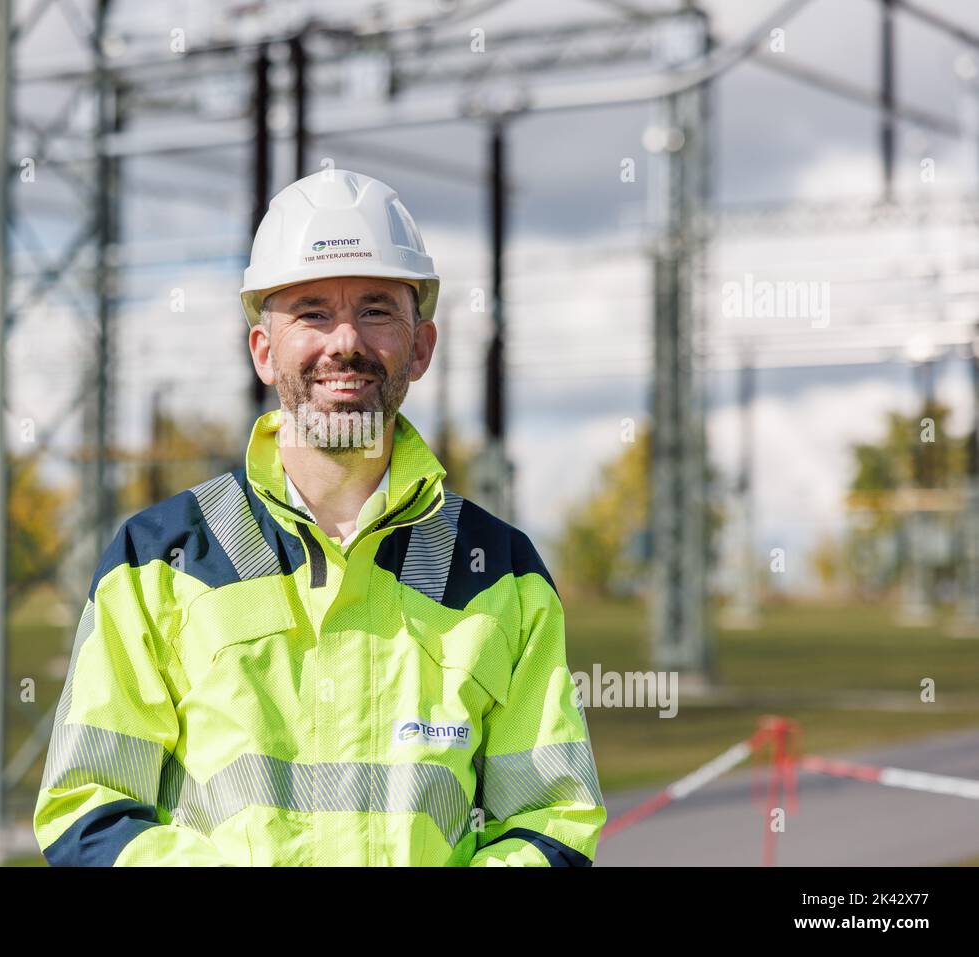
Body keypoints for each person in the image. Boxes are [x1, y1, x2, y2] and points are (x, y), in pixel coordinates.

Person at [33, 168, 605, 866]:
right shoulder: (159, 559)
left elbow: (555, 819)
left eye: (375, 309)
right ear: (263, 350)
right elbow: (86, 809)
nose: (344, 342)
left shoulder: (499, 572)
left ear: (421, 346)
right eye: (310, 311)